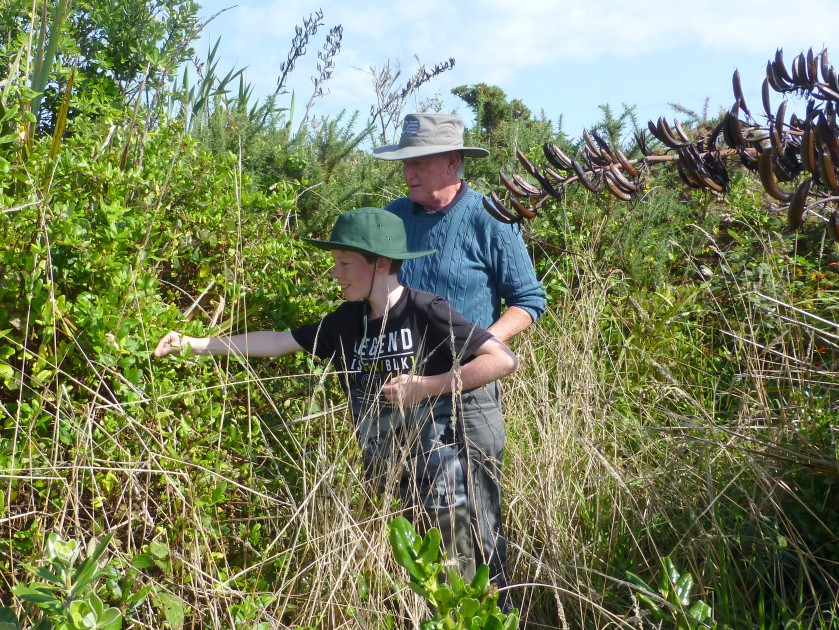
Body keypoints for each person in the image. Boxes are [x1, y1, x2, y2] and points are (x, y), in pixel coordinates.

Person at [154, 206, 519, 577]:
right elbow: (278, 341)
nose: (335, 273)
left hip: (444, 483)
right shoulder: (345, 322)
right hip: (390, 483)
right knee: (419, 580)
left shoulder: (425, 311)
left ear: (381, 262)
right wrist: (195, 344)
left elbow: (502, 360)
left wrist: (425, 386)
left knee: (462, 578)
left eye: (344, 263)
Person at [373, 113, 547, 605]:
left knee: (480, 521)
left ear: (452, 162)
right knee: (419, 522)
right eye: (405, 162)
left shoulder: (489, 216)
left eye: (419, 162)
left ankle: (497, 612)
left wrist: (478, 346)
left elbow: (528, 300)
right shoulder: (392, 218)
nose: (408, 172)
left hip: (469, 395)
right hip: (403, 394)